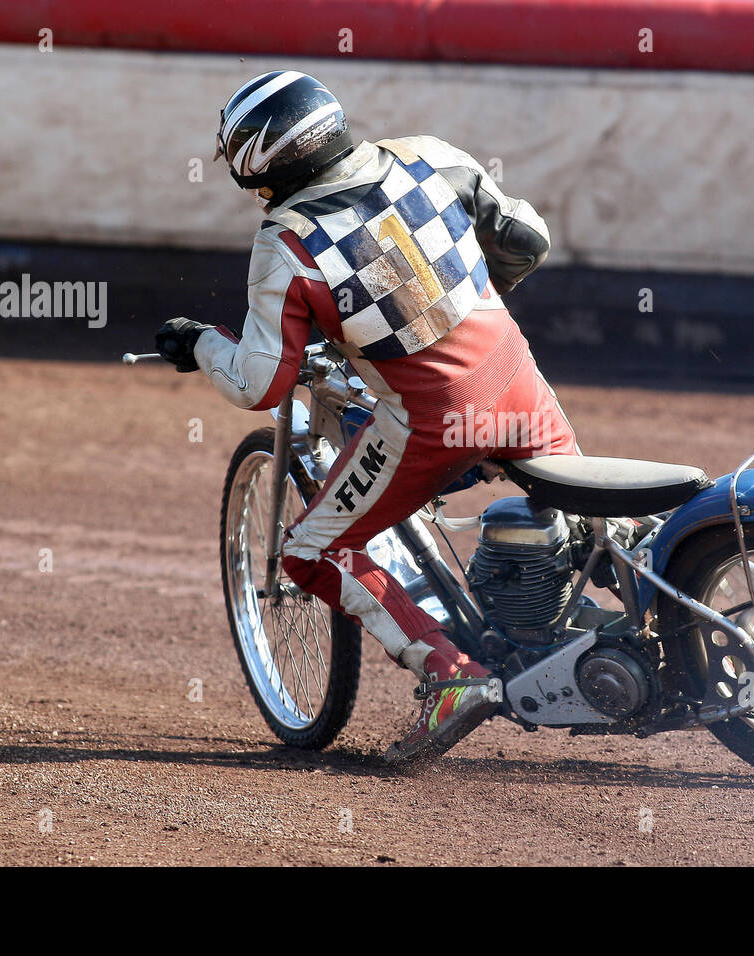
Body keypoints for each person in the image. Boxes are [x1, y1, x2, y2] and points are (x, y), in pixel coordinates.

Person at [154, 71, 578, 762]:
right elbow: (527, 241)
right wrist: (454, 301)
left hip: (434, 422)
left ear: (264, 162)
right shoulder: (429, 156)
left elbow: (262, 386)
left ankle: (449, 677)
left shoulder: (285, 242)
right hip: (522, 386)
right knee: (591, 521)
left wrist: (200, 342)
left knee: (307, 551)